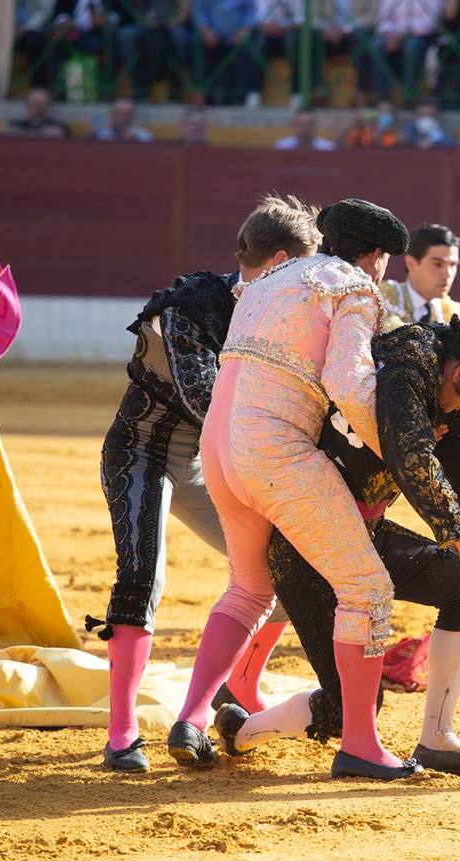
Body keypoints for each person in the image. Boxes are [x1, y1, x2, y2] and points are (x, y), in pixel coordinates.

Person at [165, 199, 421, 781]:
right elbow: (349, 385)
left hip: (219, 446)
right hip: (275, 452)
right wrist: (402, 454)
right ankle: (360, 743)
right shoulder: (354, 288)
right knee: (365, 585)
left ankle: (192, 717)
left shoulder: (269, 278)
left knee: (248, 588)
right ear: (376, 256)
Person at [215, 315, 460, 775]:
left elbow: (455, 457)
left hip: (364, 533)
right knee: (353, 706)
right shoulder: (409, 366)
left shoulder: (442, 383)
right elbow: (412, 455)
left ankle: (437, 739)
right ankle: (241, 732)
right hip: (305, 545)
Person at [93, 195, 320, 772]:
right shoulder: (192, 305)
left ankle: (234, 688)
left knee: (282, 565)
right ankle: (121, 736)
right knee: (142, 577)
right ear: (282, 260)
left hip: (205, 461)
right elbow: (205, 399)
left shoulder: (277, 310)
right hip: (141, 452)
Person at [379, 223, 460, 330]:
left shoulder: (453, 312)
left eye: (453, 265)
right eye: (438, 264)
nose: (448, 274)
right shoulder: (383, 298)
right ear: (411, 263)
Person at [1, 87, 71, 138]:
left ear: (48, 108)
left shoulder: (58, 126)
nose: (36, 109)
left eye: (41, 105)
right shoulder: (15, 124)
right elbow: (5, 132)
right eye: (33, 104)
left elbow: (62, 135)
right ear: (27, 107)